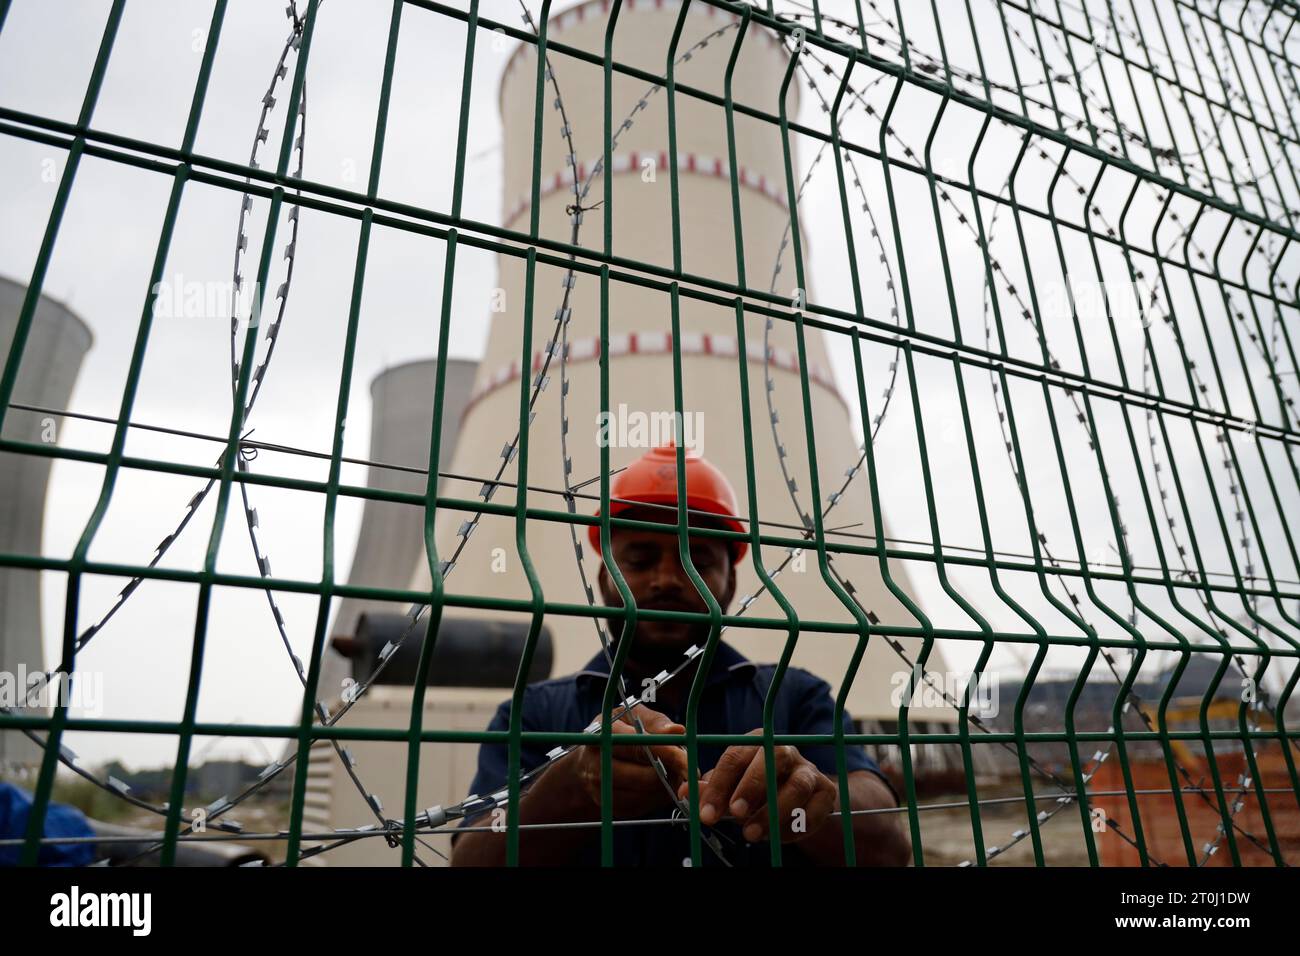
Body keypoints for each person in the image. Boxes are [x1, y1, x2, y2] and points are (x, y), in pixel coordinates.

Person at [450, 444, 909, 866]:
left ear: (731, 581)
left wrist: (806, 795)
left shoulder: (795, 696)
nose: (668, 578)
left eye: (698, 559)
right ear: (604, 575)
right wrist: (569, 787)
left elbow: (890, 844)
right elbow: (470, 857)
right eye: (641, 559)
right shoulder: (534, 713)